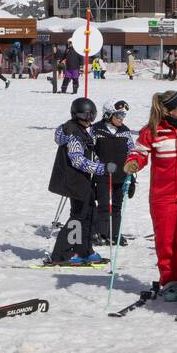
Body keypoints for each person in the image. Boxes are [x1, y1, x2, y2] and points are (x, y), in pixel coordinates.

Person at [124, 91, 177, 304]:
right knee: (165, 240)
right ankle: (170, 281)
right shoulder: (152, 131)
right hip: (163, 194)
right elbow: (139, 152)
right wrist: (134, 161)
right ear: (168, 111)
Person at [47, 97, 109, 266]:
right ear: (75, 115)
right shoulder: (74, 134)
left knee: (90, 214)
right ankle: (63, 253)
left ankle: (85, 250)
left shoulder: (80, 130)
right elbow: (77, 160)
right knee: (78, 217)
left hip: (82, 181)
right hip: (74, 181)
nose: (88, 120)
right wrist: (100, 169)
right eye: (85, 116)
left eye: (90, 116)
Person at [91, 99, 138, 246]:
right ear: (108, 114)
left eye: (123, 116)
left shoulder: (124, 131)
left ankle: (115, 233)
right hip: (103, 173)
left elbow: (132, 150)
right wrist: (96, 165)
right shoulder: (97, 130)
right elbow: (90, 149)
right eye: (118, 116)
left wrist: (132, 171)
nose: (121, 119)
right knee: (104, 204)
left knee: (117, 205)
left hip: (120, 174)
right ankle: (101, 232)